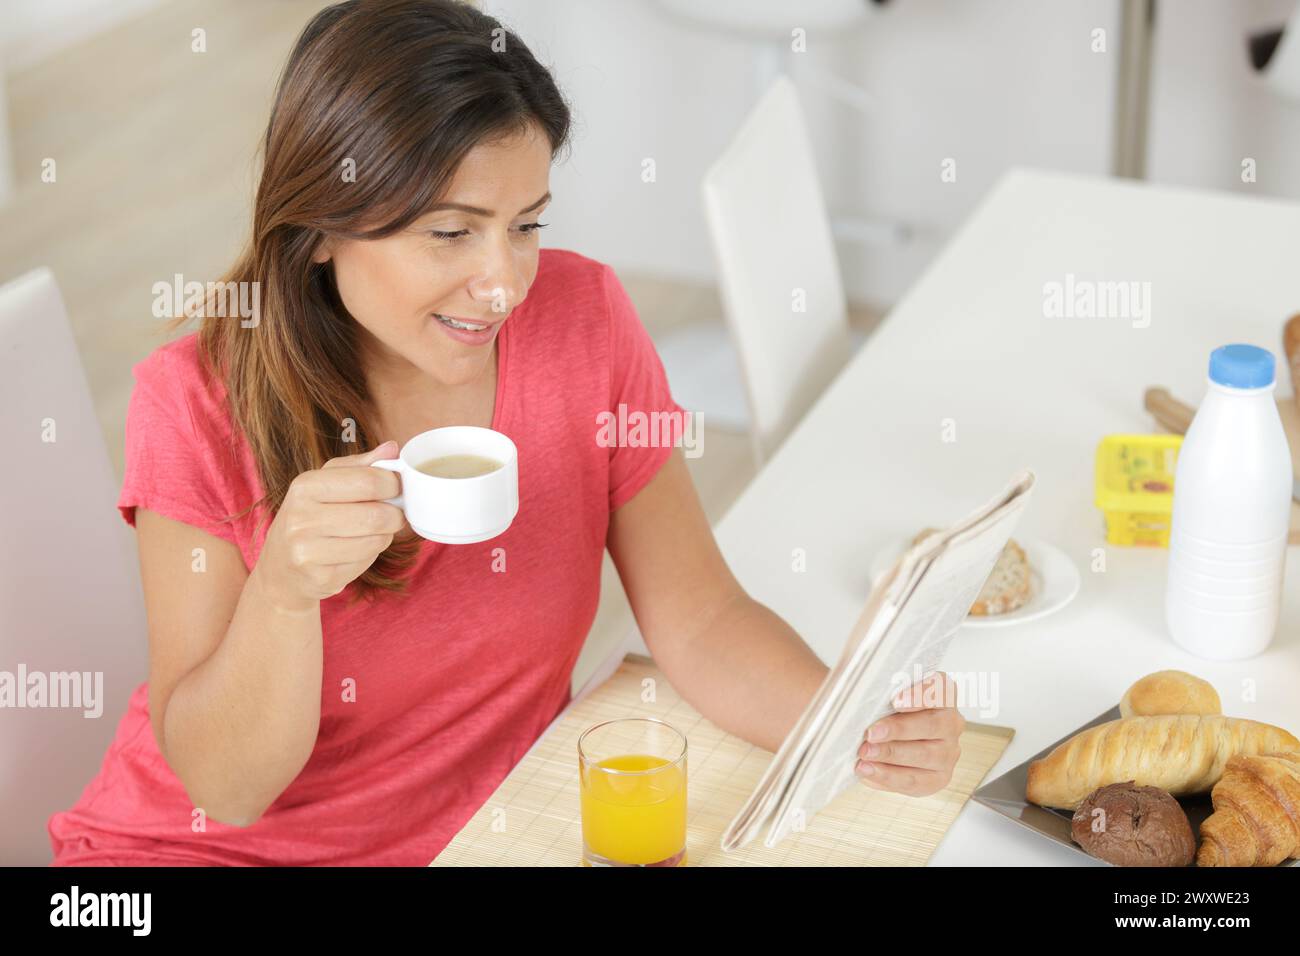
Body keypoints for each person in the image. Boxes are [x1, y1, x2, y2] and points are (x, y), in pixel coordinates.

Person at [48, 0, 964, 866]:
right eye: (450, 233)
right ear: (319, 230)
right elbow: (226, 789)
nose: (502, 284)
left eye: (526, 225)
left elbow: (702, 617)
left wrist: (849, 723)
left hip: (486, 836)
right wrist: (284, 595)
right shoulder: (194, 404)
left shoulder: (585, 321)